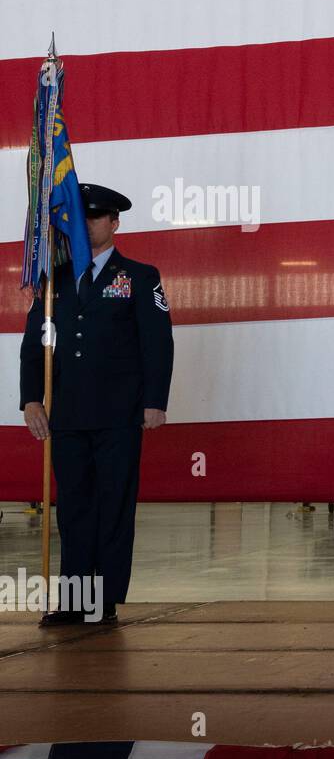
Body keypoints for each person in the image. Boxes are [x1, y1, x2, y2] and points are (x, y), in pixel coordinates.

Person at [20, 183, 174, 627]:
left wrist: (154, 402)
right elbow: (36, 345)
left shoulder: (141, 277)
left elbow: (157, 343)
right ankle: (73, 599)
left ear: (114, 223)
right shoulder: (54, 281)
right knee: (73, 507)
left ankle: (101, 599)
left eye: (95, 217)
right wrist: (31, 397)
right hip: (66, 413)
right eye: (79, 218)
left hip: (119, 414)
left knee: (112, 506)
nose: (86, 225)